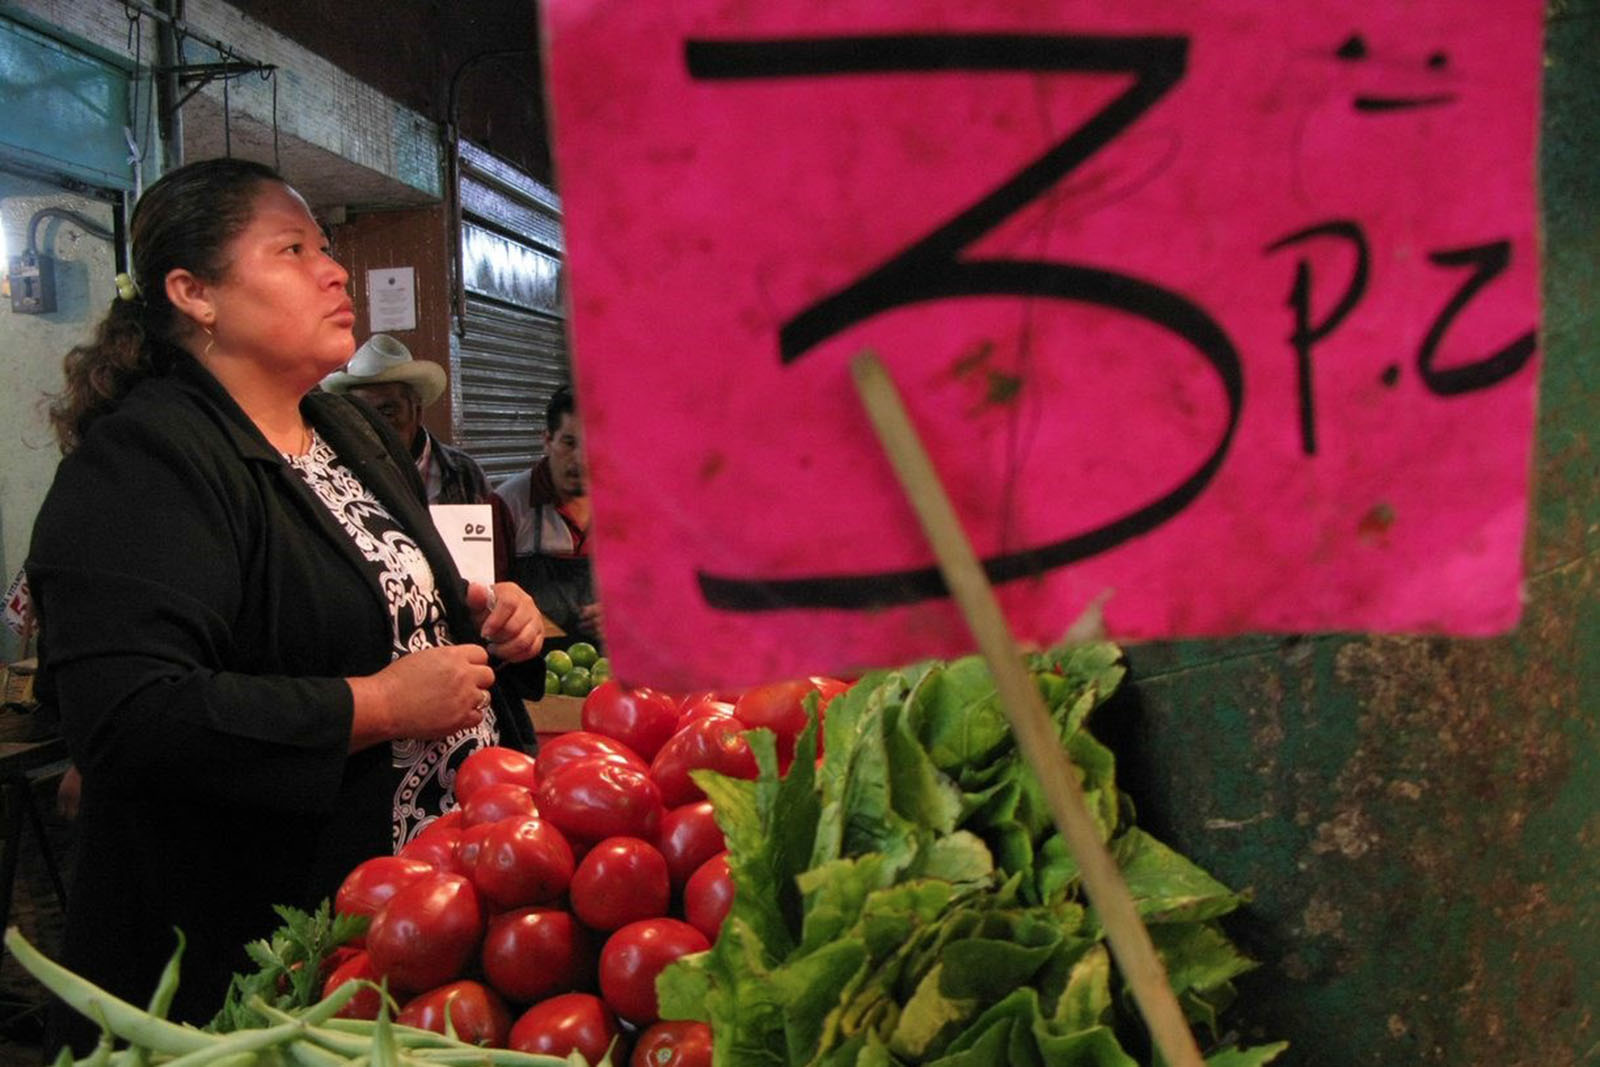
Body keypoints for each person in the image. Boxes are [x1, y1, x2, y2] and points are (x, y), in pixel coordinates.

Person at [25, 157, 545, 1048]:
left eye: (328, 246)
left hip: (425, 912)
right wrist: (378, 704)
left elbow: (391, 602)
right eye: (293, 247)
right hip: (265, 957)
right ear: (195, 293)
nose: (334, 269)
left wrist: (498, 621)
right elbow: (131, 716)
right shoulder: (145, 461)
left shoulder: (345, 429)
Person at [321, 333, 511, 578]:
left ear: (417, 411)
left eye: (387, 412)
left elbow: (493, 564)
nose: (374, 426)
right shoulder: (337, 476)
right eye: (362, 414)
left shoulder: (463, 474)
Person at [495, 385, 602, 649]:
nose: (580, 459)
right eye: (569, 442)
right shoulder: (508, 504)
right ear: (547, 440)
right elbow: (486, 601)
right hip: (532, 672)